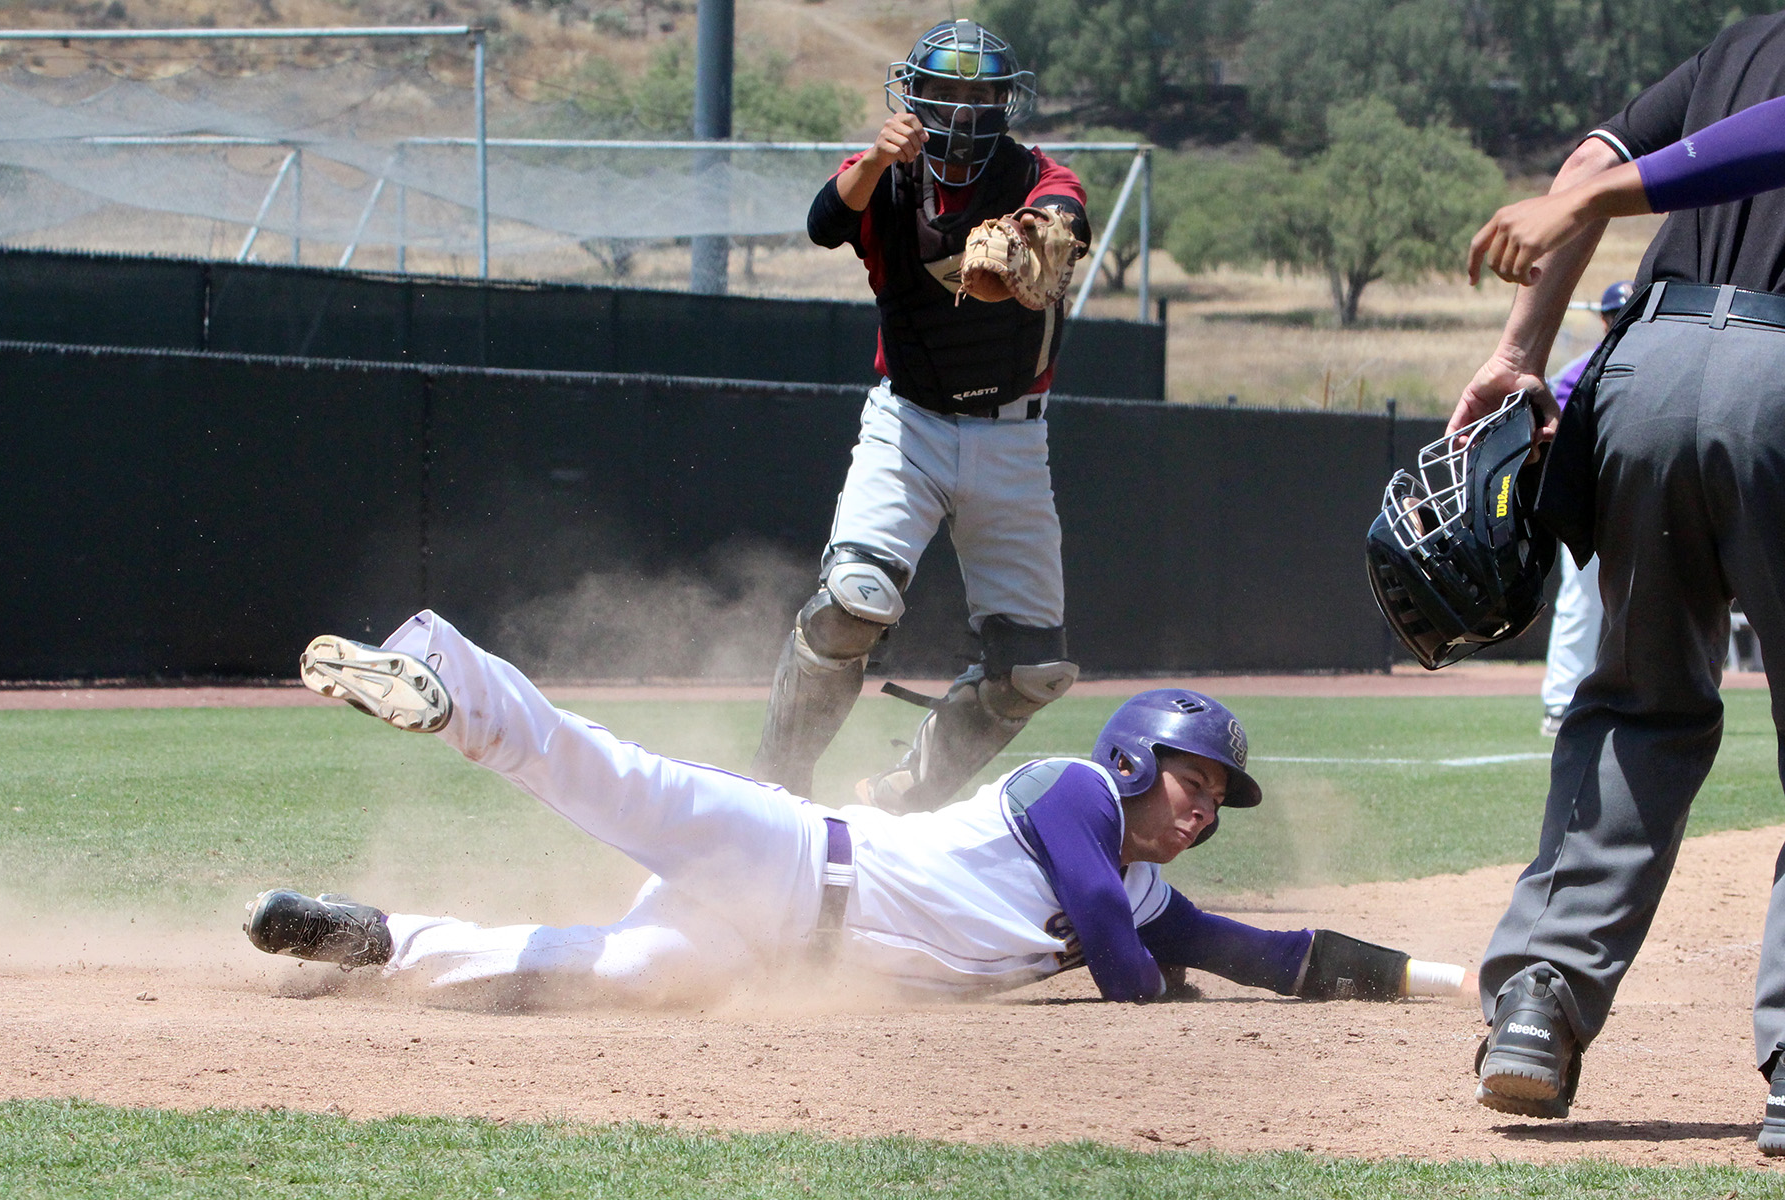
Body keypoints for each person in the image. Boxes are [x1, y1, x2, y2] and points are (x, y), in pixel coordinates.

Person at [245, 615, 1471, 1009]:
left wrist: (1462, 981)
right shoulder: (1073, 794)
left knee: (603, 977)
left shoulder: (1152, 889)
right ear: (1138, 761)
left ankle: (365, 940)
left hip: (772, 943)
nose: (1204, 810)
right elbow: (1112, 947)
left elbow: (1279, 955)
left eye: (1218, 798)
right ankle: (441, 678)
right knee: (592, 771)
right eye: (1196, 780)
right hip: (784, 849)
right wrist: (1169, 987)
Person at [1454, 15, 1785, 1149]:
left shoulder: (1745, 39)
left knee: (1636, 702)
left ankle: (1538, 1007)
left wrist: (1520, 350)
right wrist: (1605, 201)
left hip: (1644, 375)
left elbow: (1587, 167)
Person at [749, 19, 1090, 816]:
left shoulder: (1038, 173)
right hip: (910, 425)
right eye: (948, 94)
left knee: (1032, 668)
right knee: (852, 602)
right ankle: (774, 782)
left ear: (1008, 106)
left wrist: (1023, 235)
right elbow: (822, 223)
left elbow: (1062, 217)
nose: (964, 113)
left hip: (1014, 434)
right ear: (914, 96)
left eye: (982, 97)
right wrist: (874, 157)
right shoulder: (889, 178)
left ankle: (901, 797)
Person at [1537, 280, 1631, 736]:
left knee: (1638, 602)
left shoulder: (1646, 365)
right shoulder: (1583, 368)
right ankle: (1559, 703)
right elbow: (1548, 414)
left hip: (1636, 500)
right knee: (1581, 601)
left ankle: (1630, 701)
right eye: (1615, 313)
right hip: (1594, 501)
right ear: (1605, 320)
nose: (1620, 320)